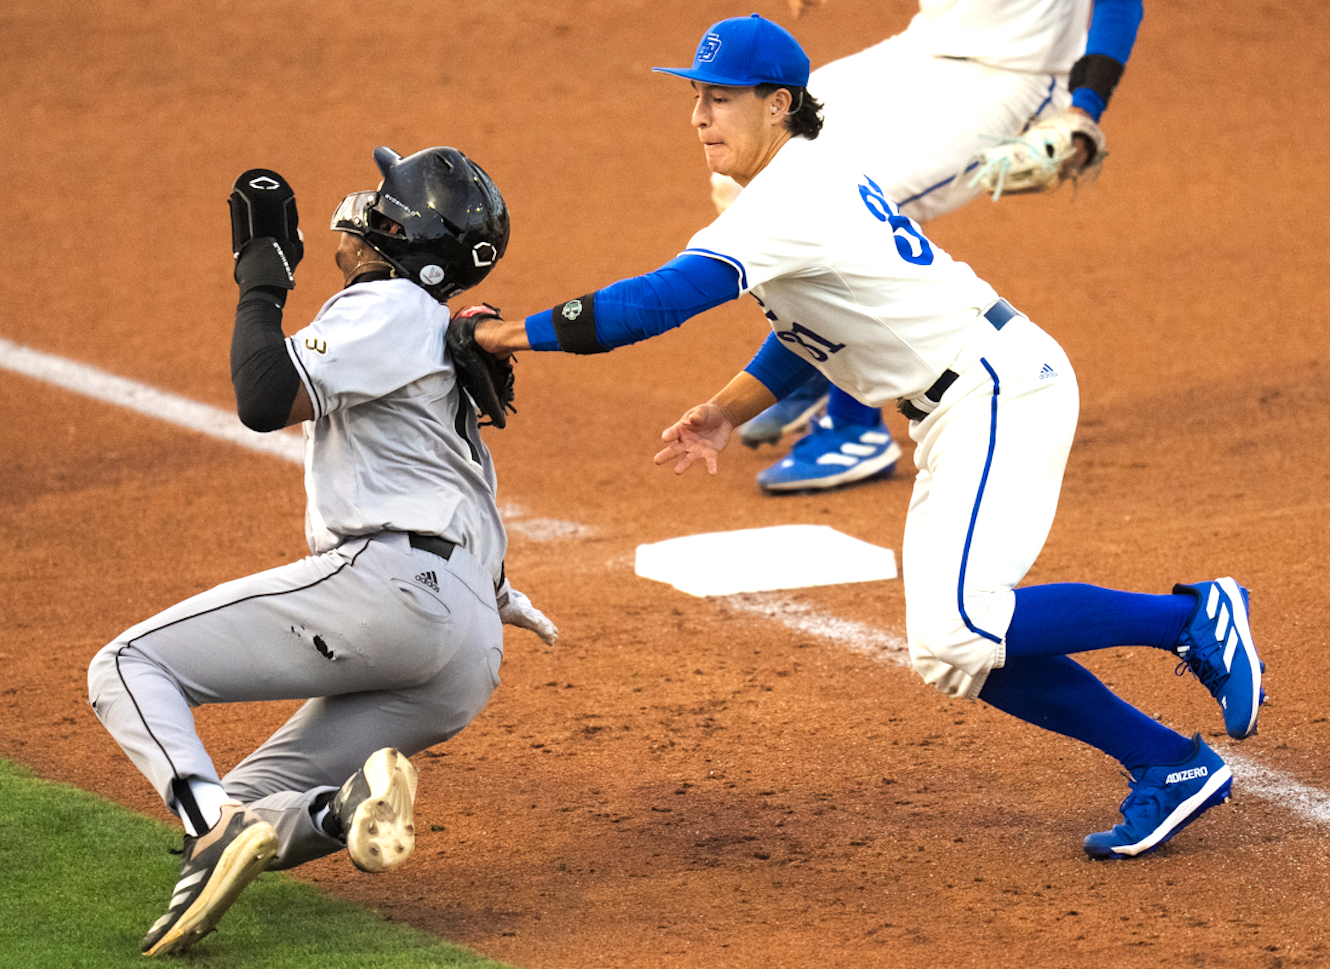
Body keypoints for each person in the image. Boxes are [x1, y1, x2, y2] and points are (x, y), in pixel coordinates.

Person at [464, 14, 1264, 859]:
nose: (700, 117)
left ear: (778, 105)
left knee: (962, 626)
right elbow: (814, 322)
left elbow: (653, 304)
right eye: (696, 99)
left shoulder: (787, 197)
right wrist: (729, 410)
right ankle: (1166, 762)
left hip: (998, 393)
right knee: (958, 650)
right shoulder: (798, 177)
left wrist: (506, 335)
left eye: (720, 99)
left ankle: (1191, 614)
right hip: (970, 399)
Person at [87, 146, 557, 957]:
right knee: (250, 801)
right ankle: (341, 811)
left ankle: (207, 826)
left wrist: (261, 274)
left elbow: (264, 397)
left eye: (384, 197)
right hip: (466, 647)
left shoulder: (390, 306)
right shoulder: (432, 341)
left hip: (395, 593)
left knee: (125, 666)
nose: (365, 205)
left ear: (397, 228)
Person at [726, 0, 1144, 493]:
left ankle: (856, 428)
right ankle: (820, 357)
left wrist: (1084, 110)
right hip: (923, 50)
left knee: (865, 203)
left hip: (1017, 75)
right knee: (761, 140)